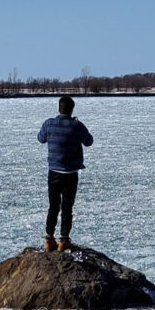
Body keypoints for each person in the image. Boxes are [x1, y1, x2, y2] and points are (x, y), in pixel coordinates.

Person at [37, 96, 94, 252]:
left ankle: (49, 239)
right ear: (71, 110)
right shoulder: (77, 126)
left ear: (59, 108)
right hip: (70, 173)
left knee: (53, 206)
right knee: (67, 207)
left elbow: (40, 139)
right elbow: (89, 141)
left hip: (53, 172)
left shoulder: (49, 123)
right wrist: (76, 124)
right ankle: (64, 240)